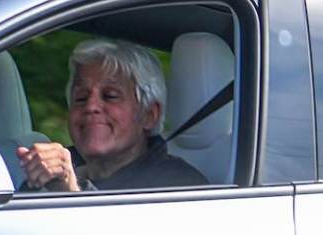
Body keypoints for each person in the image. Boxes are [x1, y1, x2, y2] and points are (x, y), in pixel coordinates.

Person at [18, 39, 207, 193]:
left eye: (110, 96)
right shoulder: (51, 170)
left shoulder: (179, 186)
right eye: (81, 97)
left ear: (149, 115)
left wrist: (70, 191)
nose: (91, 106)